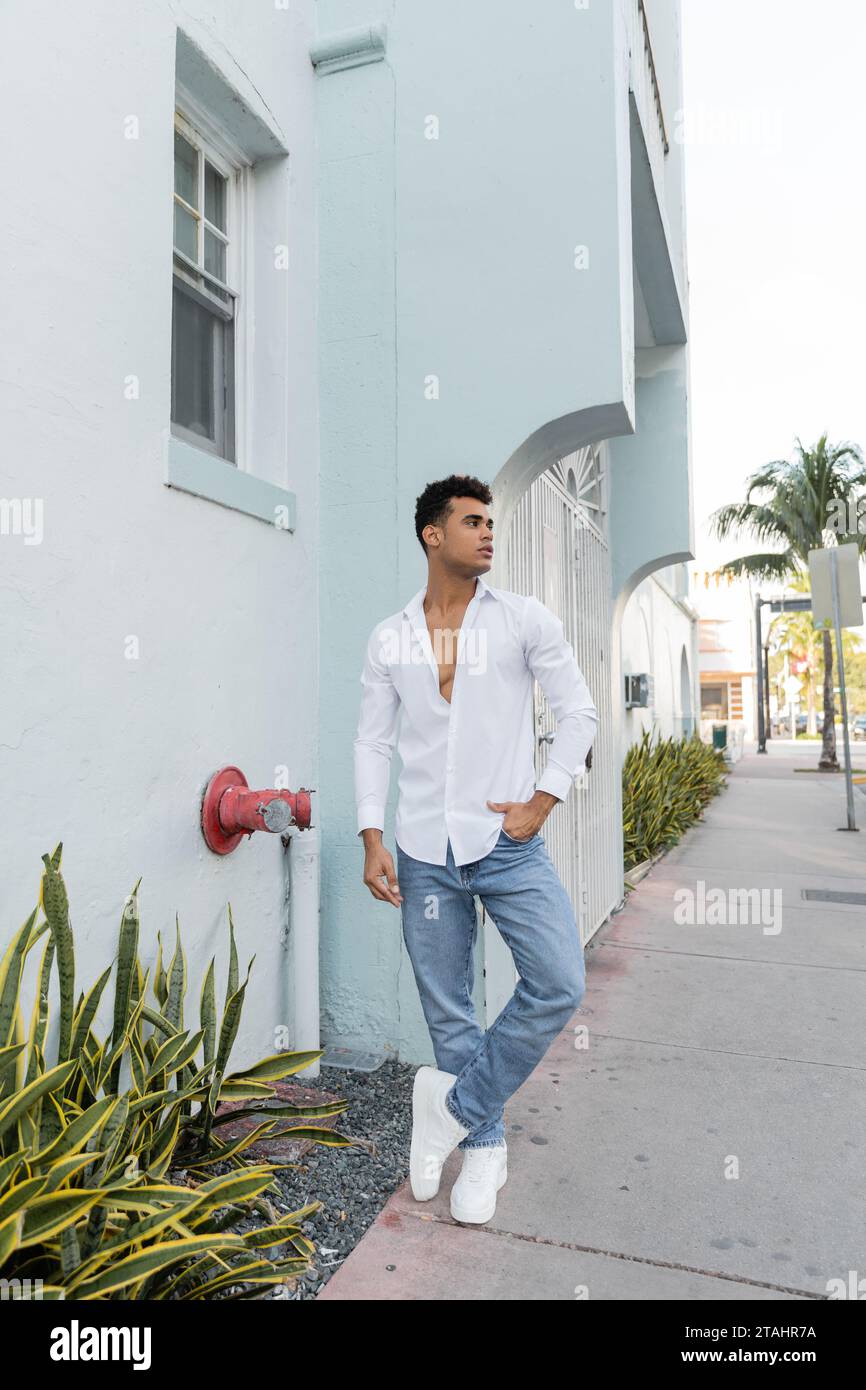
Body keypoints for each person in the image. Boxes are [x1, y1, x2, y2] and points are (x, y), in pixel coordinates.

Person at [353, 474, 598, 1225]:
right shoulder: (391, 636)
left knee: (558, 981)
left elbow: (580, 712)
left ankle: (449, 1109)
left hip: (507, 843)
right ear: (434, 535)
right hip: (424, 847)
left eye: (491, 521)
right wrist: (371, 837)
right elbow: (373, 740)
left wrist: (543, 799)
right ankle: (482, 1148)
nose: (489, 532)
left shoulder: (523, 620)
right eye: (472, 521)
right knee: (450, 1010)